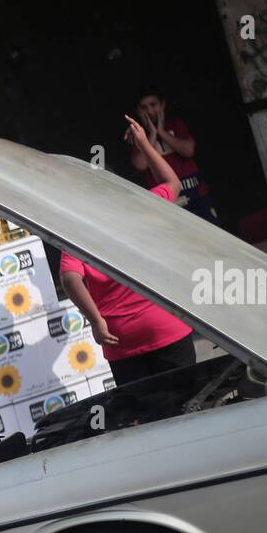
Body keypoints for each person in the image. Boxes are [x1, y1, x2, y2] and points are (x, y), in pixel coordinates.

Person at [60, 116, 196, 387]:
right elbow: (173, 182)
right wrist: (145, 143)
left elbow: (69, 278)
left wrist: (96, 321)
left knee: (144, 419)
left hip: (122, 342)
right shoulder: (147, 207)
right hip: (167, 327)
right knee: (189, 408)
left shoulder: (78, 230)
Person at [131, 88, 219, 223]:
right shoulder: (138, 135)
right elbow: (141, 164)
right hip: (167, 198)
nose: (149, 111)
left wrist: (162, 132)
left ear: (162, 105)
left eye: (153, 105)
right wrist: (152, 134)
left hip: (194, 192)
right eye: (144, 107)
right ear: (138, 111)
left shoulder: (176, 125)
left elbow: (188, 151)